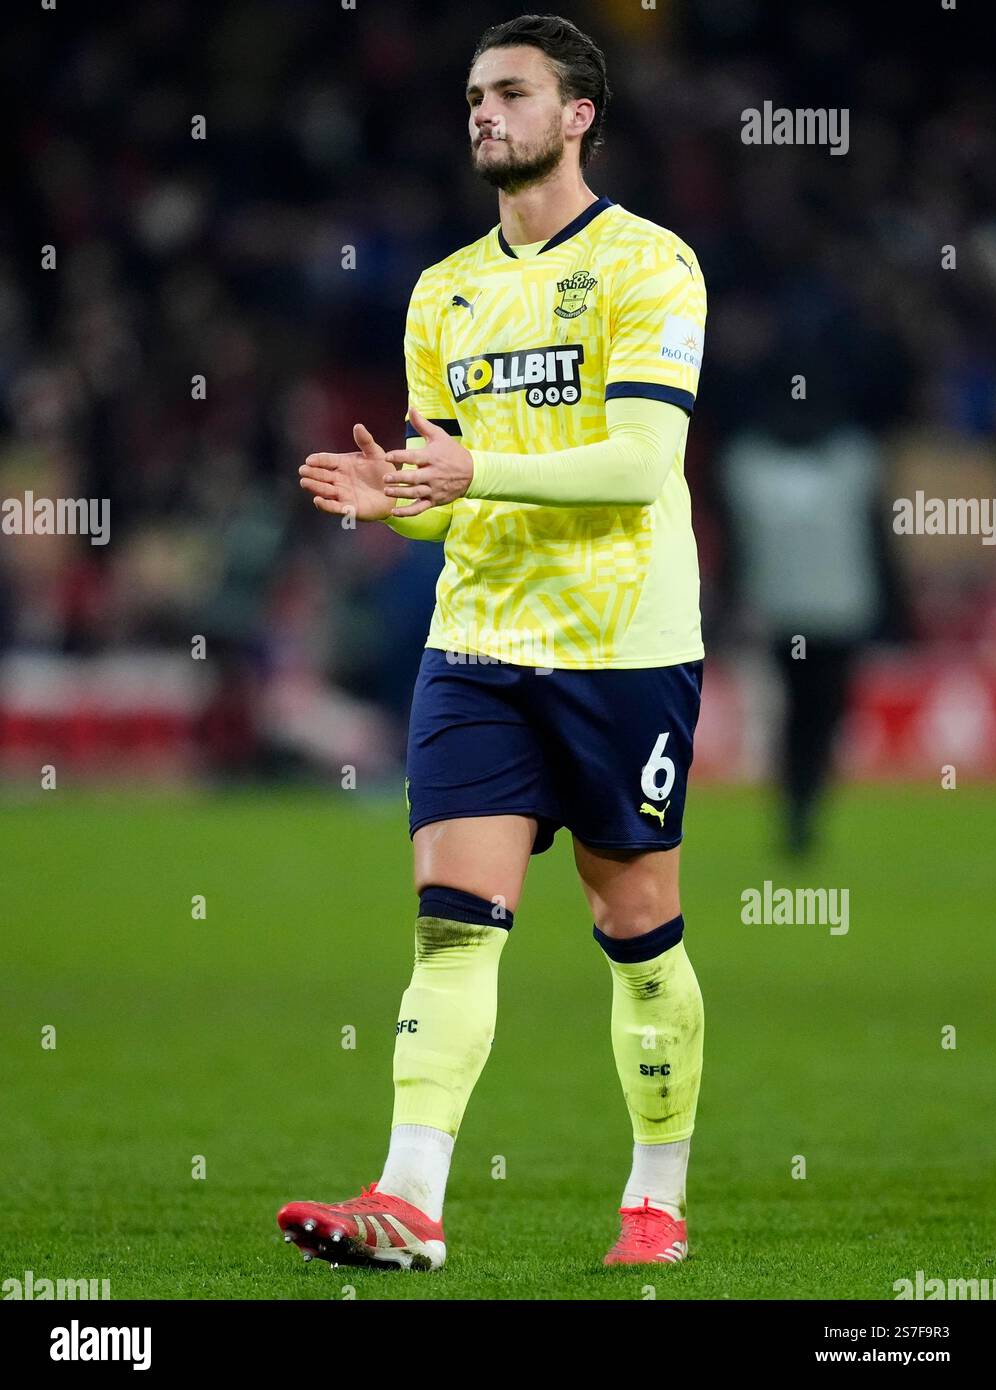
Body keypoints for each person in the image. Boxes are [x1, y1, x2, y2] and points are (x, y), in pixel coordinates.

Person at [279, 13, 707, 1271]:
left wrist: (472, 468)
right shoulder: (443, 291)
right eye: (472, 93)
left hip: (624, 642)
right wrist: (405, 504)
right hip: (476, 643)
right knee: (452, 923)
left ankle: (656, 1198)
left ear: (578, 115)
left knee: (636, 926)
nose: (482, 111)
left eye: (511, 92)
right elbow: (450, 494)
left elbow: (639, 463)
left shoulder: (648, 264)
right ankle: (411, 1201)